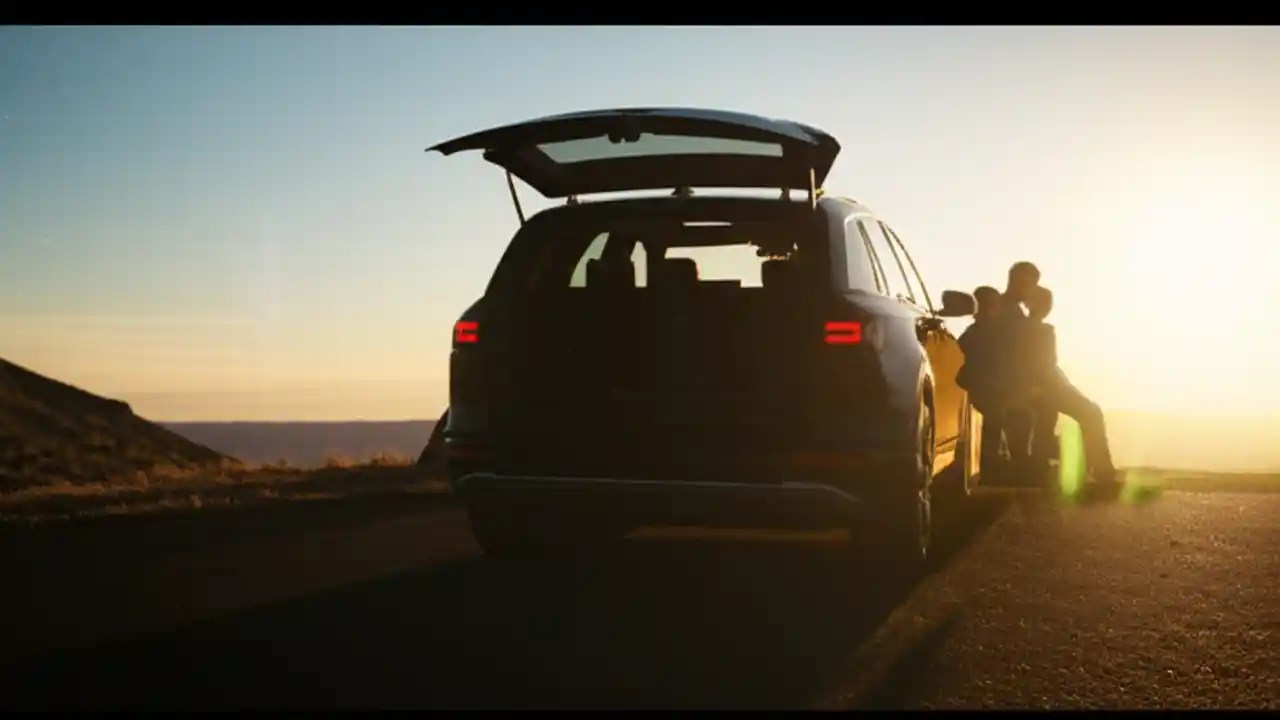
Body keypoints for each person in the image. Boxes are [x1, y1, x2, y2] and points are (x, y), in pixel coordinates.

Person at [1010, 285, 1120, 486]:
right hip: (1047, 387)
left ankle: (1050, 464)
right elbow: (1038, 367)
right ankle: (1102, 470)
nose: (1047, 307)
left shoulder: (1034, 329)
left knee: (1050, 424)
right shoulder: (1036, 331)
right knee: (1091, 413)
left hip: (1048, 385)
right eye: (1044, 303)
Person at [956, 286, 1014, 481]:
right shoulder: (974, 336)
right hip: (983, 395)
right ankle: (994, 466)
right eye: (988, 305)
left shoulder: (993, 334)